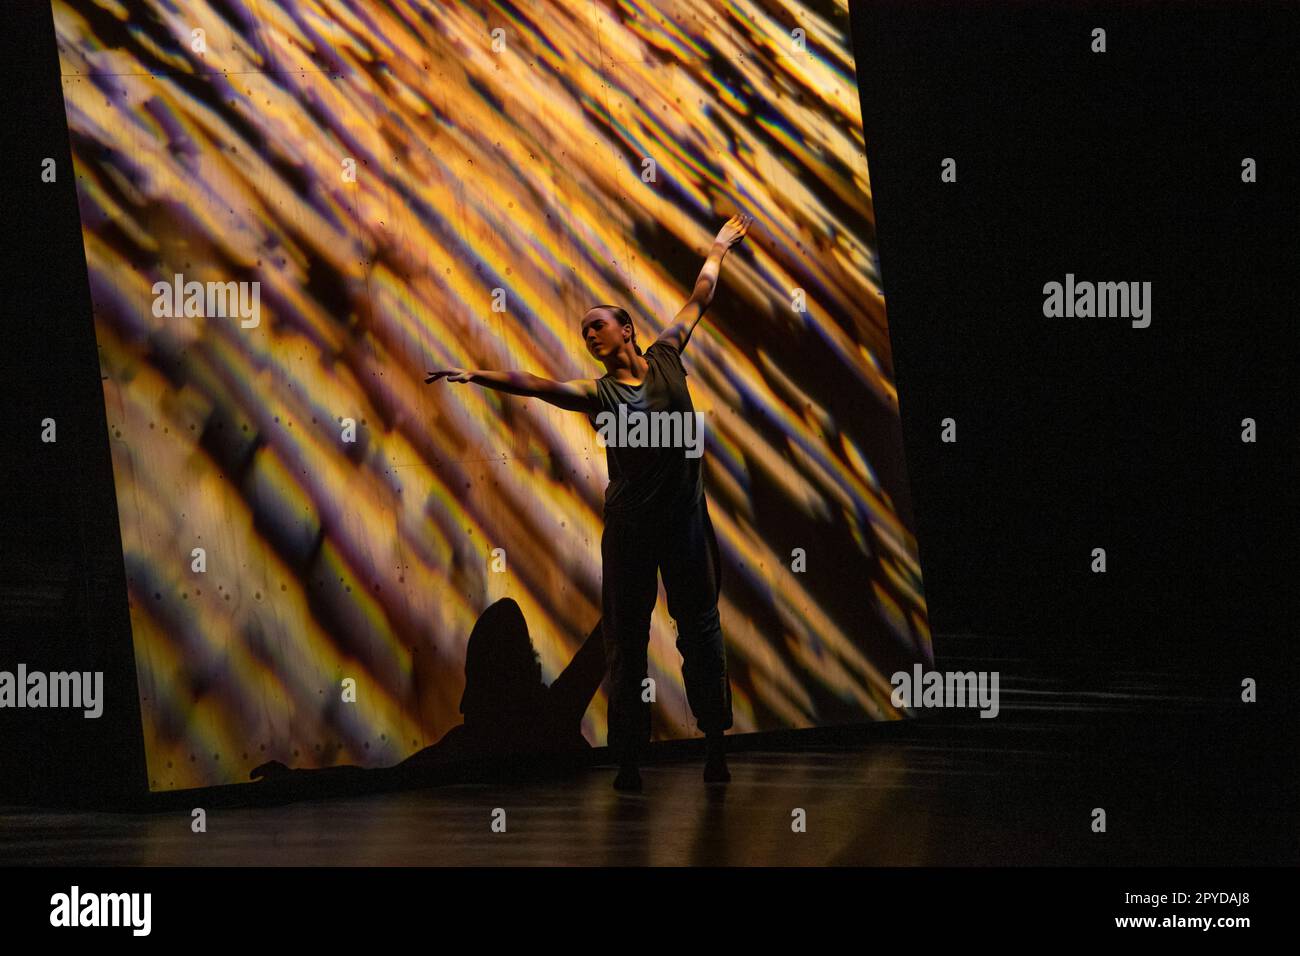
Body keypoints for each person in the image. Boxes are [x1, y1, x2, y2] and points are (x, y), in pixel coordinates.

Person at [427, 213, 753, 792]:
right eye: (584, 334)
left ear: (627, 329)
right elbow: (535, 384)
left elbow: (699, 296)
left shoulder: (668, 356)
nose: (590, 336)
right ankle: (629, 758)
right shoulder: (596, 393)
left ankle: (715, 743)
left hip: (685, 526)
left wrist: (718, 248)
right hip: (630, 531)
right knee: (625, 639)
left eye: (597, 326)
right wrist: (474, 375)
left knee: (700, 629)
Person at [249, 600, 606, 797]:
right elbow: (611, 632)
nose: (463, 705)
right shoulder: (552, 717)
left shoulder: (467, 750)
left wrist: (297, 783)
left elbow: (375, 781)